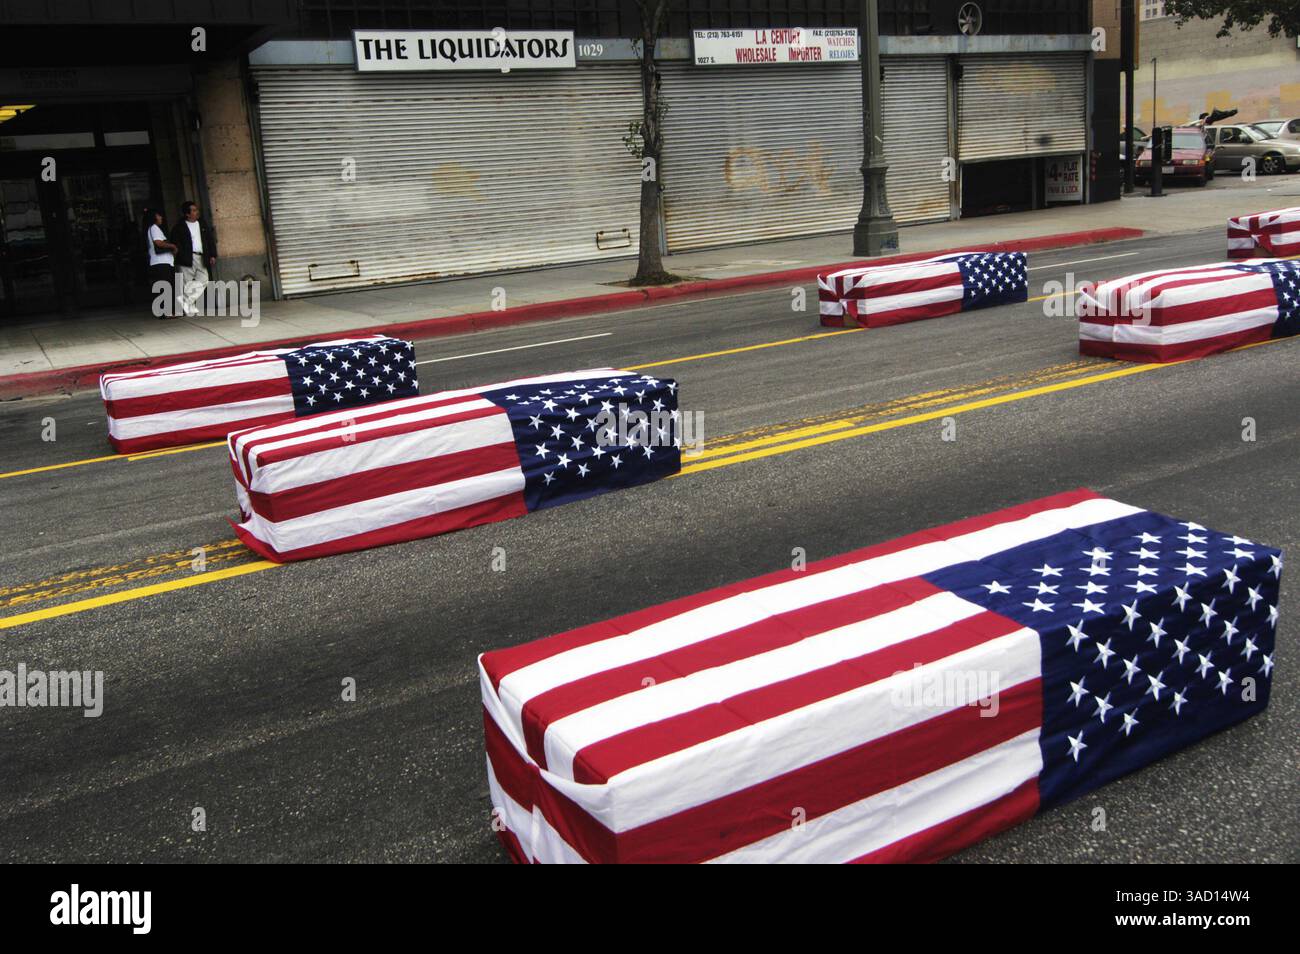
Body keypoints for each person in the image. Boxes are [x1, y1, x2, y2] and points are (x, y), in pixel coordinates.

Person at [170, 200, 217, 317]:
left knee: (204, 279)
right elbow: (174, 242)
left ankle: (186, 302)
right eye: (194, 210)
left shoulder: (202, 224)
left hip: (201, 256)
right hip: (187, 257)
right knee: (188, 284)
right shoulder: (179, 227)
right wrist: (180, 253)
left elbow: (210, 240)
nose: (197, 212)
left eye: (197, 210)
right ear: (187, 214)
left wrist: (212, 254)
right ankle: (189, 306)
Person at [144, 208, 179, 319]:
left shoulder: (150, 229)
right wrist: (172, 246)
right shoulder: (154, 228)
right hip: (161, 263)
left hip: (158, 263)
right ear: (154, 217)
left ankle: (165, 311)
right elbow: (158, 243)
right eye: (159, 215)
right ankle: (167, 312)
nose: (161, 217)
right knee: (166, 287)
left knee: (164, 287)